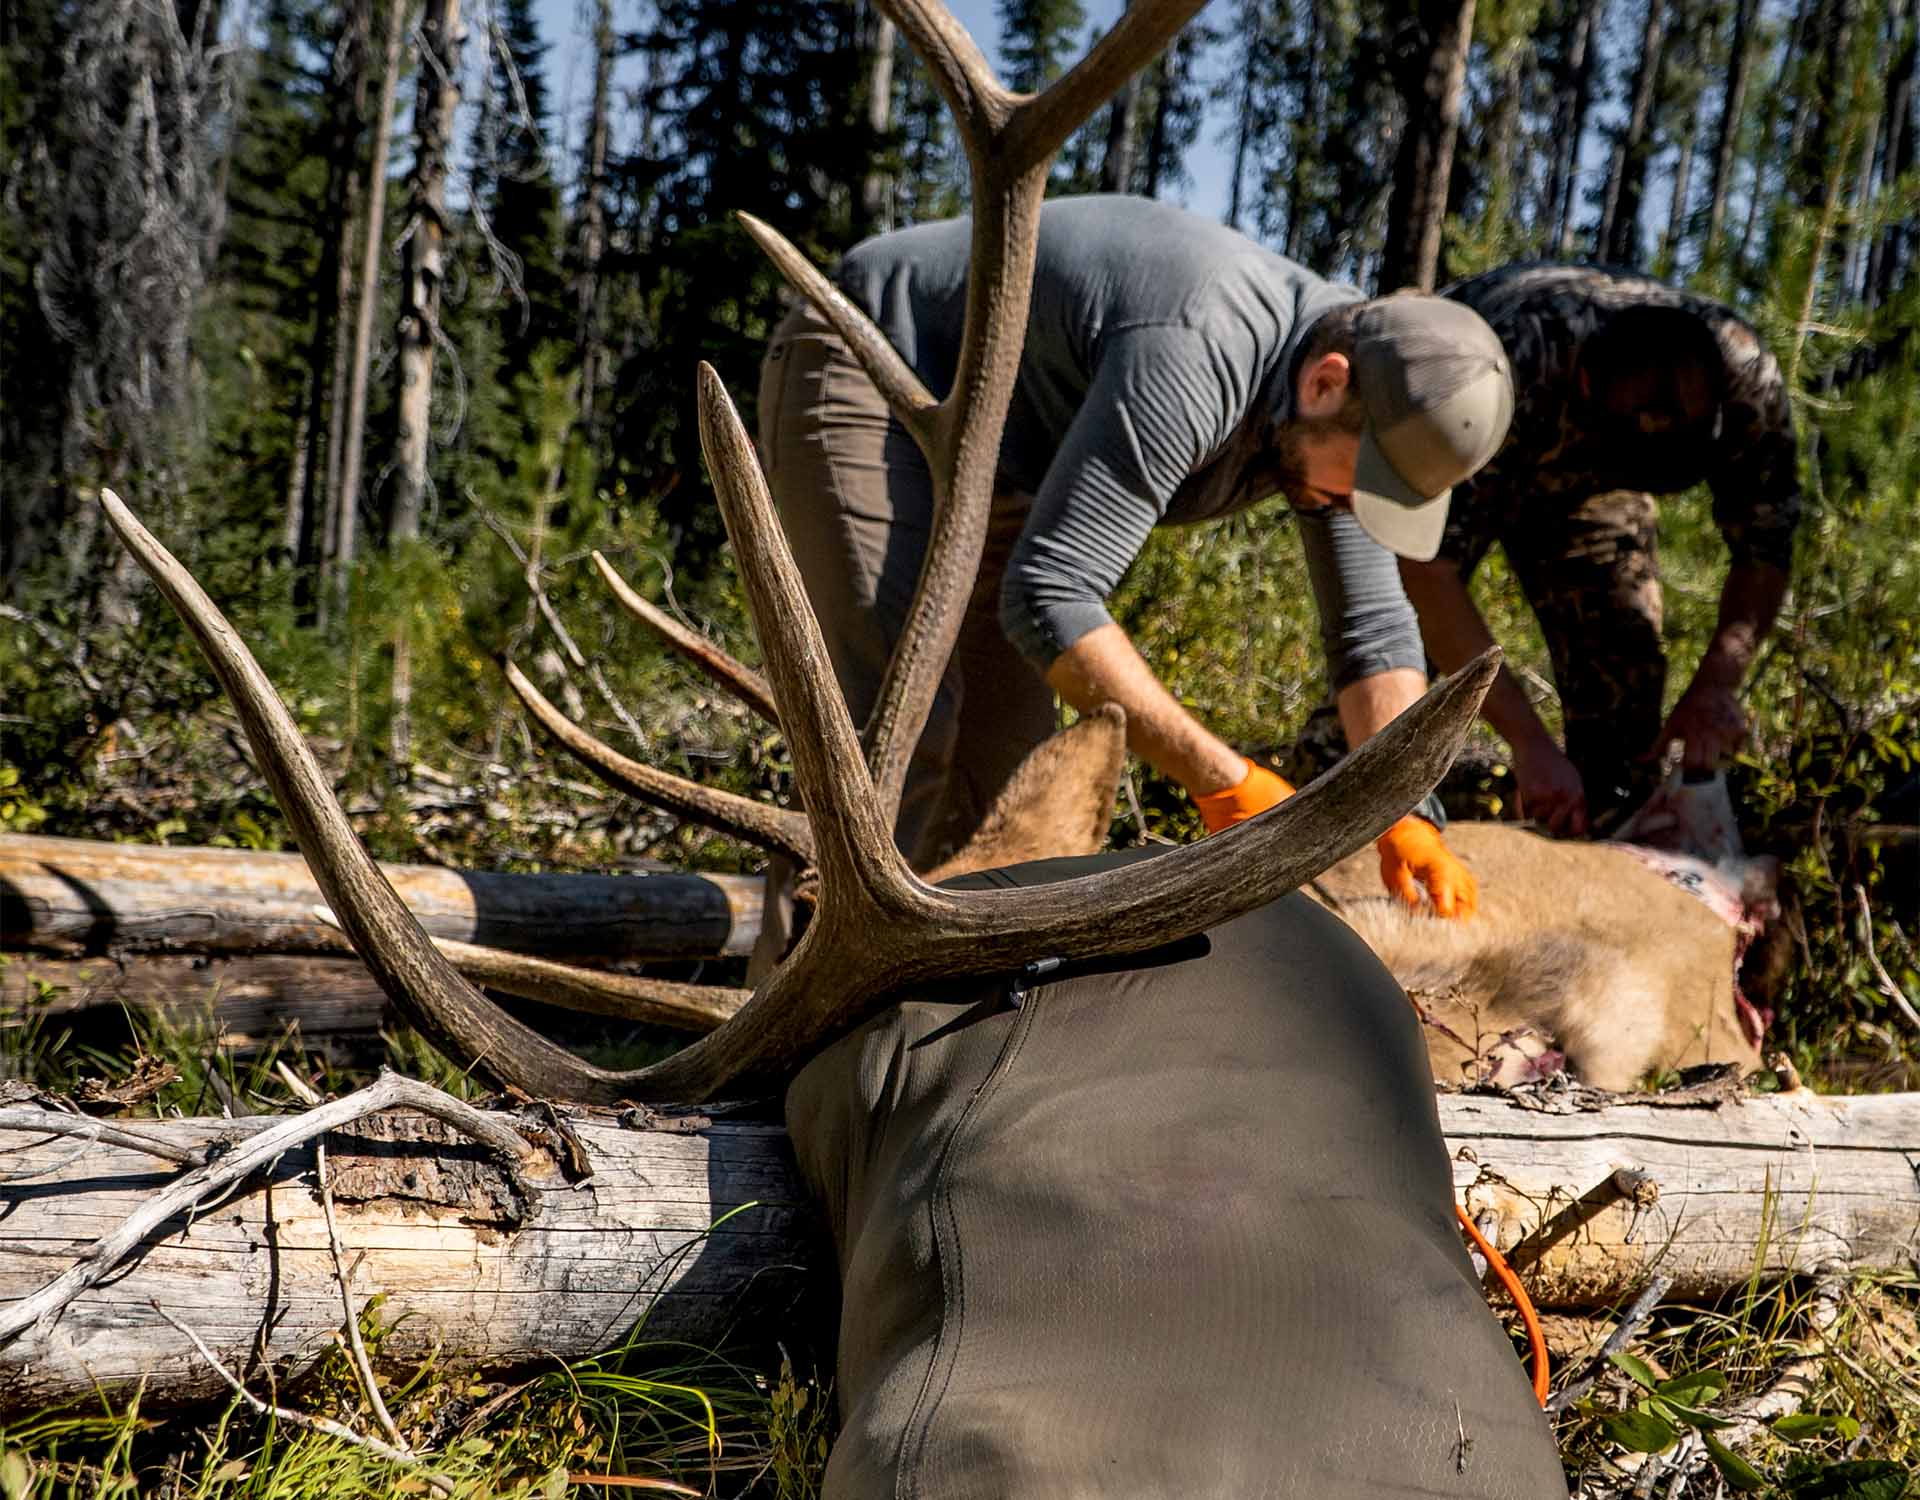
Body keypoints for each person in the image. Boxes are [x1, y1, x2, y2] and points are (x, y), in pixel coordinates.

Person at [756, 194, 1513, 916]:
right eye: (1364, 482)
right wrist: (1225, 781)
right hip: (875, 364)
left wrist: (1408, 811)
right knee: (893, 733)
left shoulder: (1353, 400)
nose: (1358, 508)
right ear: (1325, 383)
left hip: (1006, 458)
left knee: (1004, 785)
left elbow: (1372, 632)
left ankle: (950, 1037)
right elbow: (1050, 597)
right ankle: (796, 1030)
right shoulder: (1197, 347)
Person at [1400, 263, 1802, 835]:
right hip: (1477, 438)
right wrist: (1528, 742)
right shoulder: (1508, 359)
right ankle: (1340, 787)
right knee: (1392, 649)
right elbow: (1424, 569)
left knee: (1623, 674)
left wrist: (1718, 682)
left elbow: (1766, 548)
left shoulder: (1747, 381)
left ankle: (1601, 824)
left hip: (1590, 497)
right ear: (1588, 386)